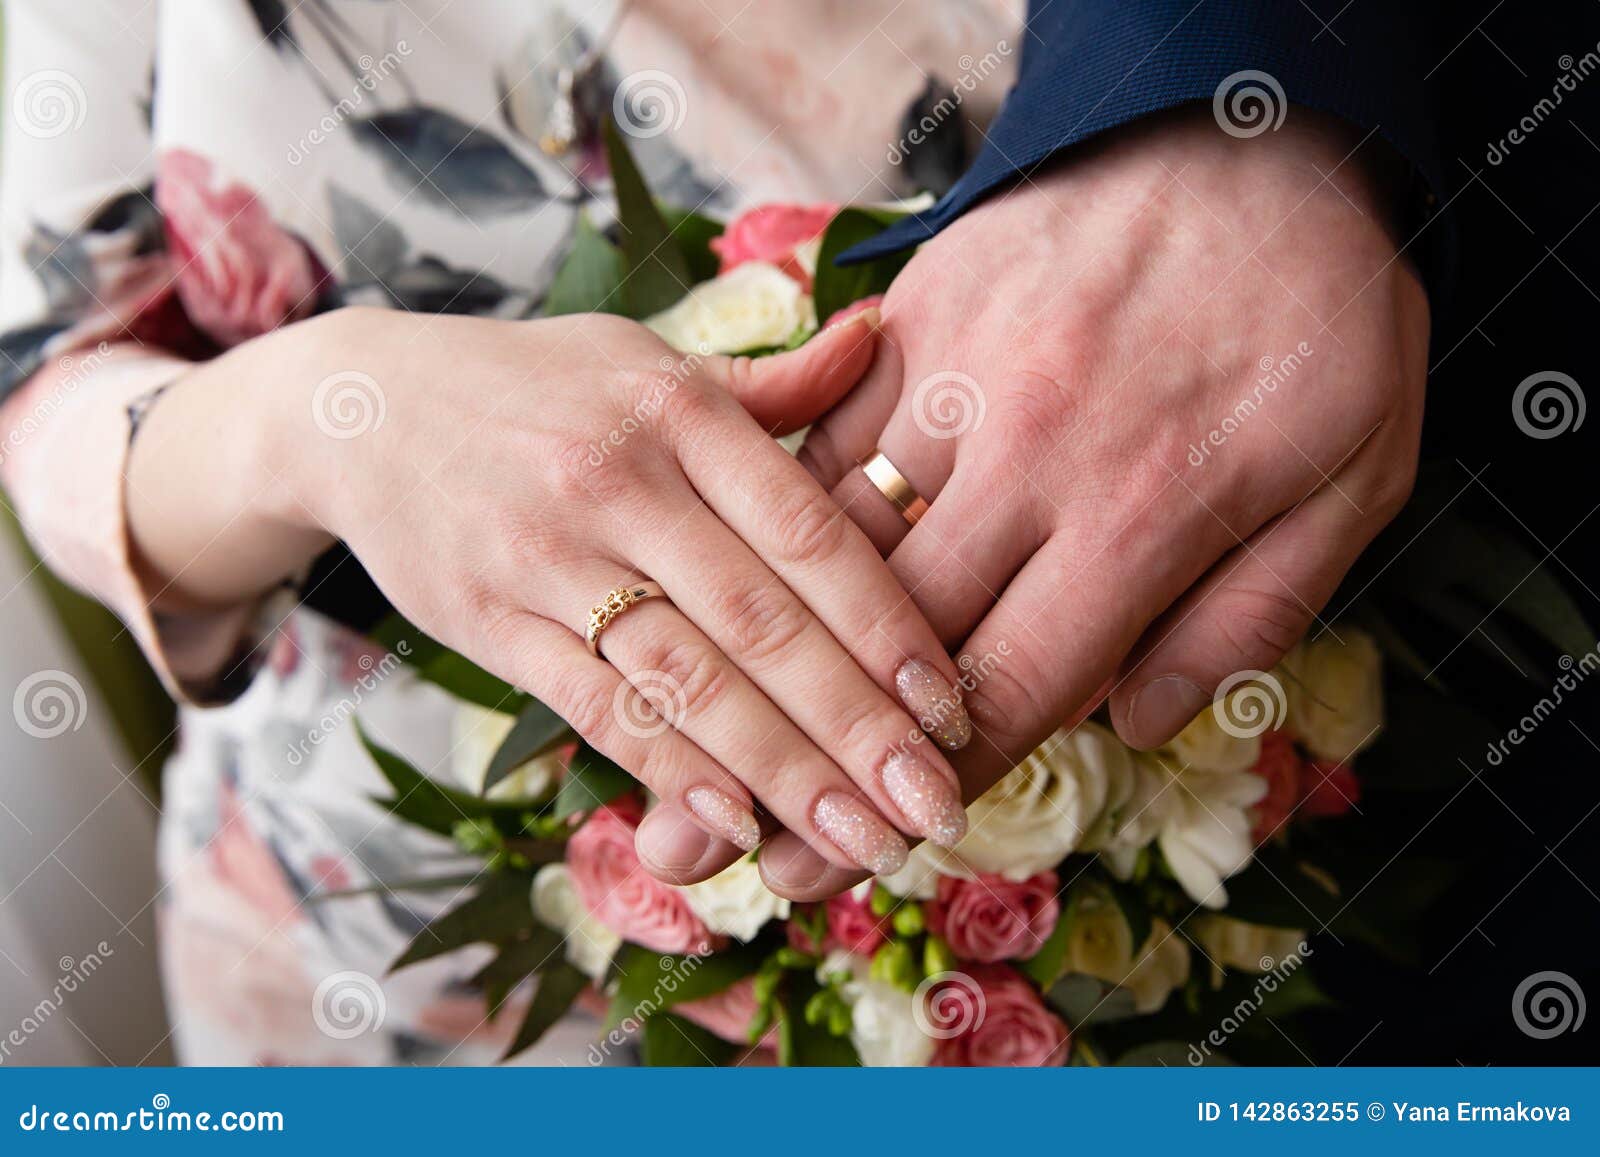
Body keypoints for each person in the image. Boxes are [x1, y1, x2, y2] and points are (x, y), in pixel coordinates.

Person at [4, 0, 1596, 1067]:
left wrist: (1256, 114)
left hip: (1260, 763)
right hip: (410, 939)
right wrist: (318, 413)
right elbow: (45, 383)